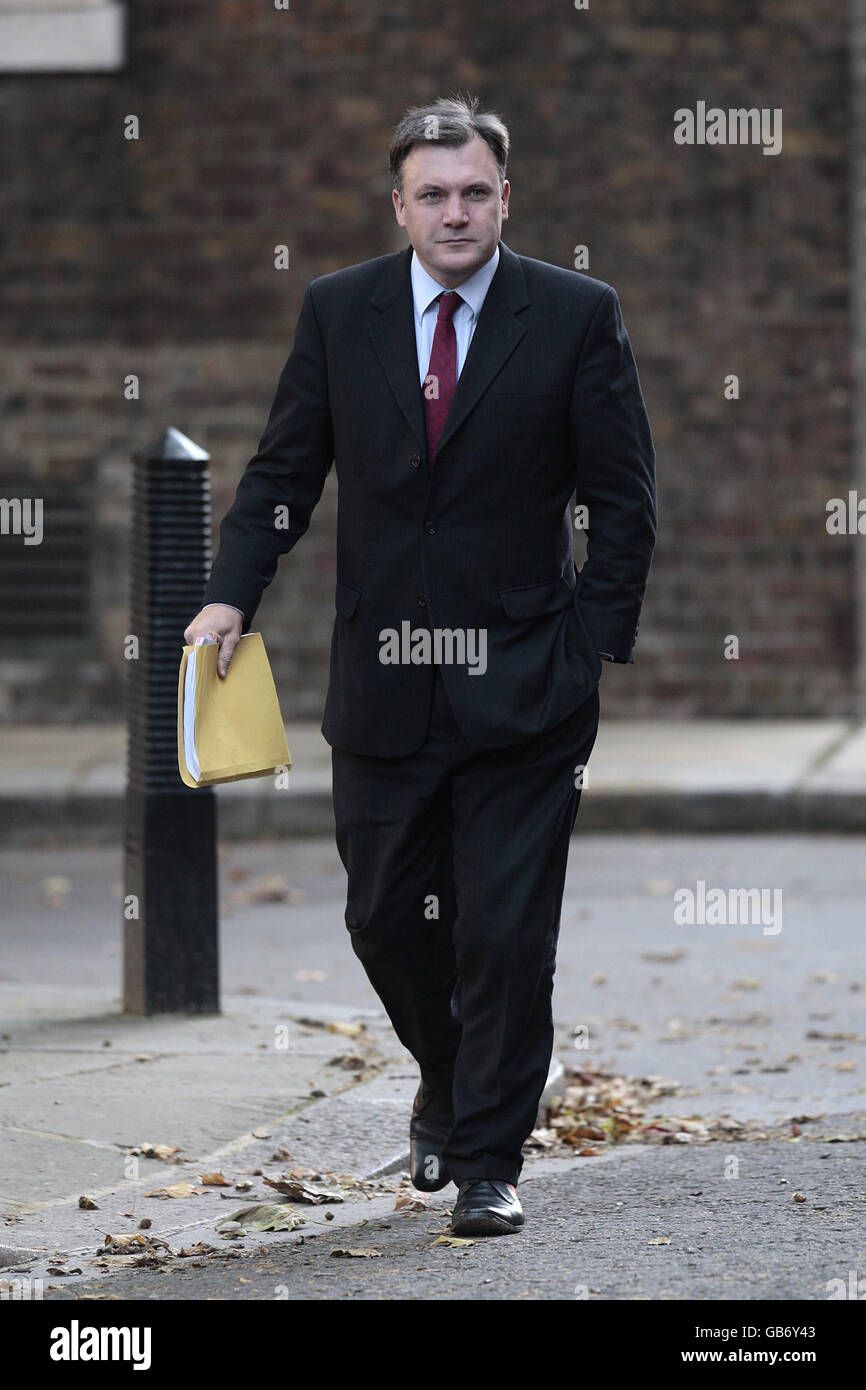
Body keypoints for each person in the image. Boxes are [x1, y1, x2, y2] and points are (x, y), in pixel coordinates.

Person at [184, 93, 657, 1237]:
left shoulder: (574, 313)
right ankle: (447, 1080)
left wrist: (589, 643)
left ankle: (490, 1156)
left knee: (503, 931)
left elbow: (622, 499)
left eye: (475, 190)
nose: (455, 211)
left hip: (528, 687)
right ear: (398, 206)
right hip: (386, 679)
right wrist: (227, 593)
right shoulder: (339, 311)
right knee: (386, 919)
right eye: (432, 194)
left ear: (505, 196)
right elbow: (284, 471)